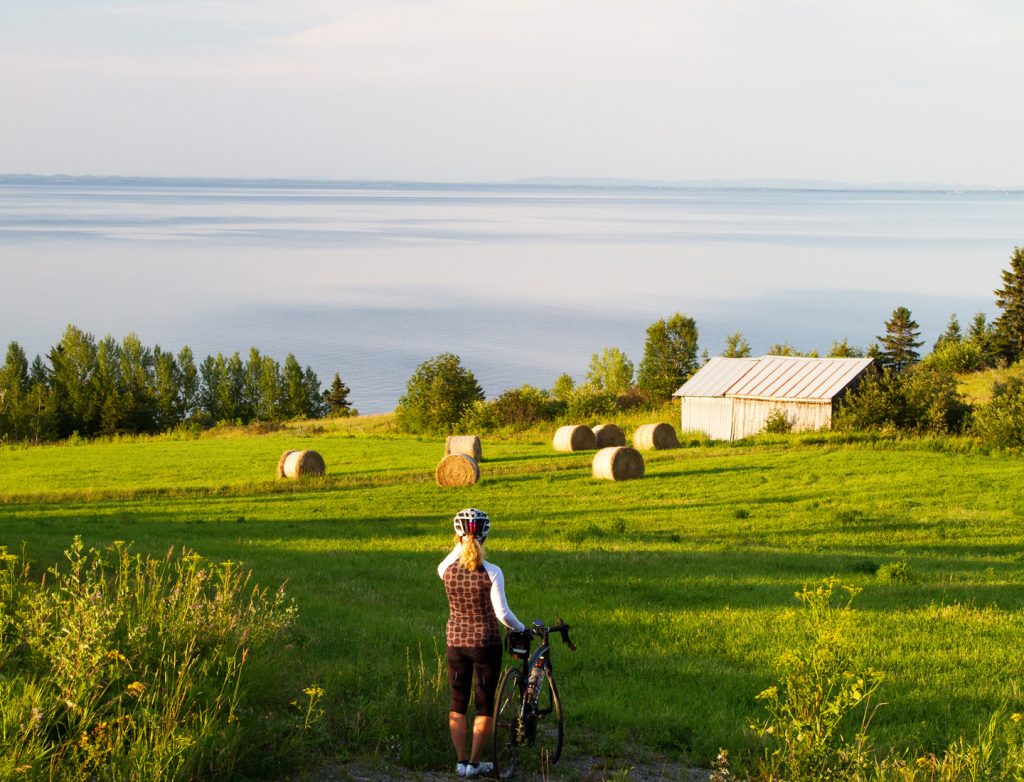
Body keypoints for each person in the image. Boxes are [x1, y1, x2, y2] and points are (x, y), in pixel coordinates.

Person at [438, 508, 527, 779]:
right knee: (484, 704)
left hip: (456, 642)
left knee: (458, 702)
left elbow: (454, 556)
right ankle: (475, 765)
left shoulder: (445, 570)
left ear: (457, 535)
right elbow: (502, 614)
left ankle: (461, 762)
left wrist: (461, 540)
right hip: (485, 645)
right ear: (486, 535)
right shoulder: (493, 572)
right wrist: (522, 628)